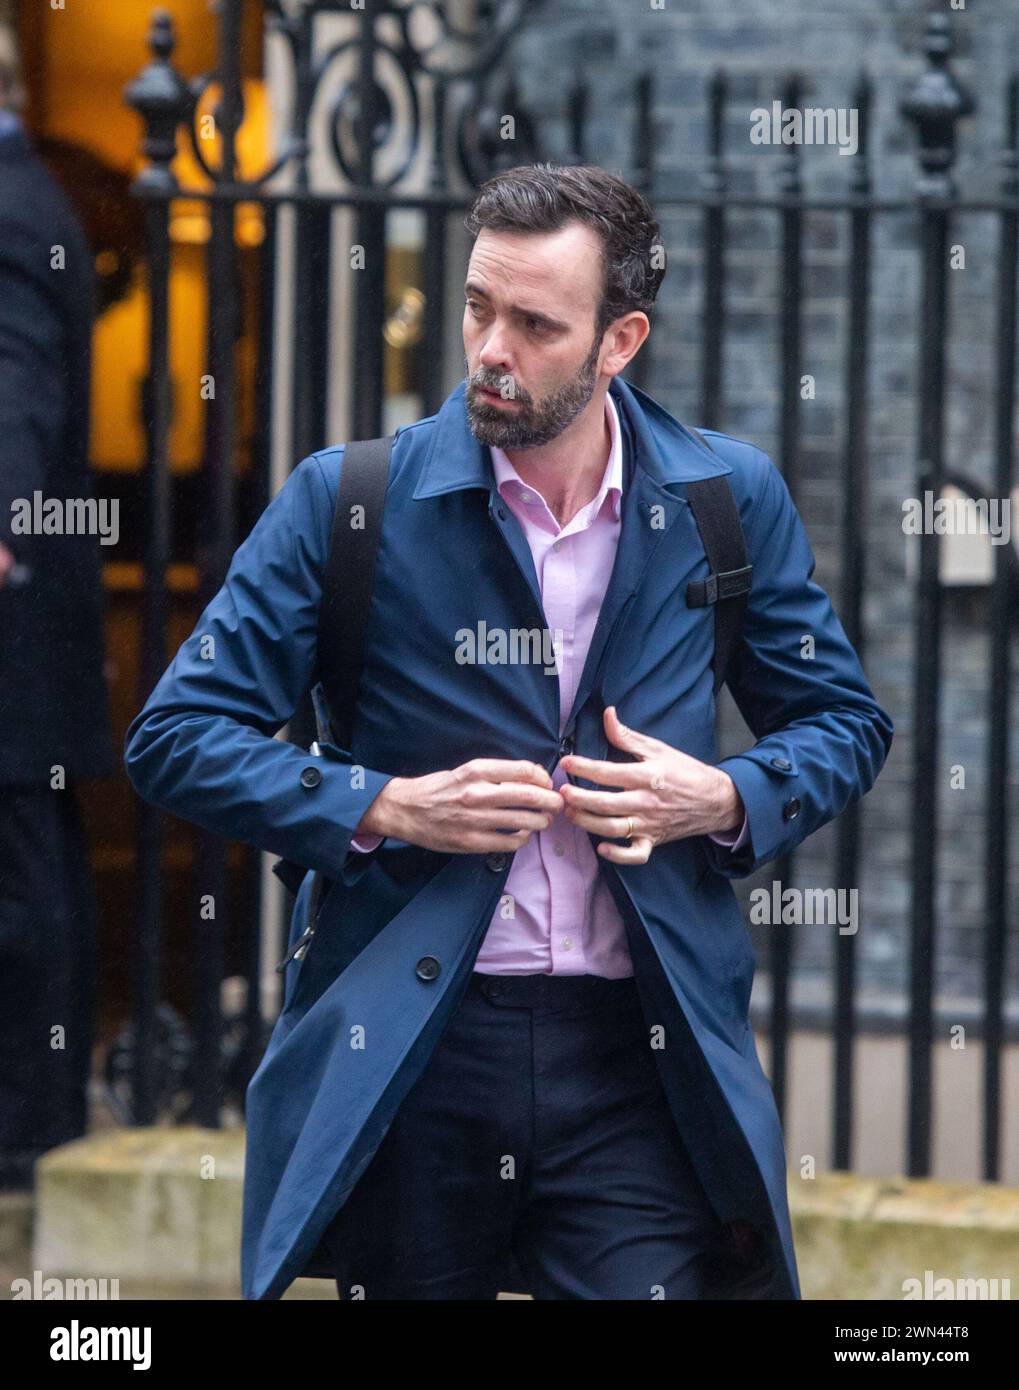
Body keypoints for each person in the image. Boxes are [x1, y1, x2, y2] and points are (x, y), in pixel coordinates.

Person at [124, 162, 893, 1300]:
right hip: (413, 1050)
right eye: (479, 307)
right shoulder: (349, 502)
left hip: (636, 1055)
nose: (490, 347)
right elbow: (176, 732)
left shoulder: (726, 501)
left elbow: (842, 719)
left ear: (618, 339)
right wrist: (381, 805)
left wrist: (724, 796)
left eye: (536, 324)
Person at [0, 25, 115, 1188]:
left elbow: (11, 383)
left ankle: (27, 1136)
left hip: (15, 605)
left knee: (22, 876)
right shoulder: (30, 197)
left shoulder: (8, 211)